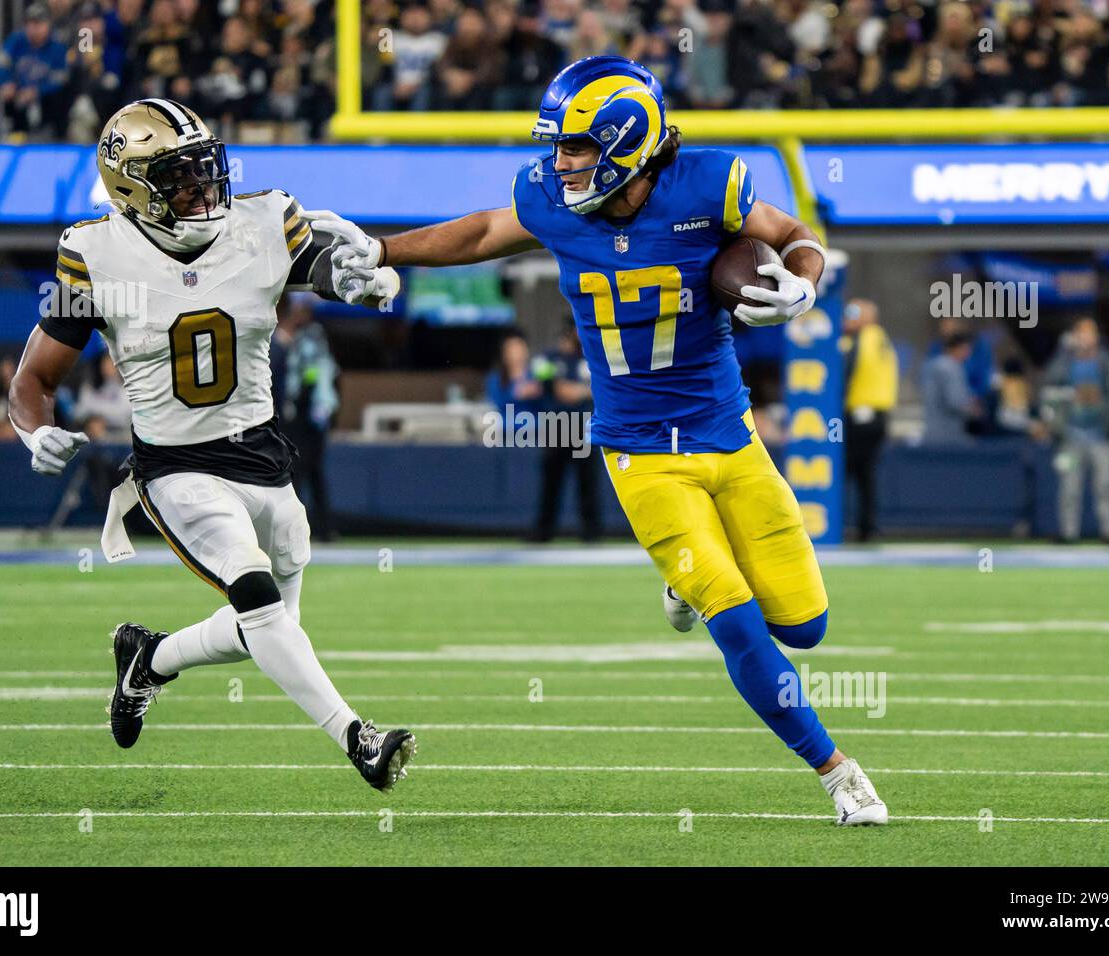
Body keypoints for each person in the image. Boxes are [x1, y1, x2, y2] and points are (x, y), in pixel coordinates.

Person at [320, 55, 888, 825]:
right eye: (558, 146)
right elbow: (485, 229)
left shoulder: (708, 185)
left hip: (731, 437)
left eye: (577, 147)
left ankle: (681, 581)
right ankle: (837, 771)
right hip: (640, 453)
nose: (561, 163)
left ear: (628, 143)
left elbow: (792, 234)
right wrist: (385, 250)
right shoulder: (552, 199)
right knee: (739, 624)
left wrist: (804, 279)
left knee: (805, 626)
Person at [7, 98, 414, 792]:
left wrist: (362, 280)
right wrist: (33, 427)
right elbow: (35, 377)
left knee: (269, 624)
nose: (205, 189)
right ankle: (358, 737)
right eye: (181, 177)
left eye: (206, 170)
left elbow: (326, 270)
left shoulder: (263, 220)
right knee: (257, 600)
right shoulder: (96, 253)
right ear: (134, 188)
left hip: (262, 455)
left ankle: (151, 658)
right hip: (175, 467)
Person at [1041, 317, 1109, 543]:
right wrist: (1055, 425)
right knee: (1069, 487)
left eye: (1090, 332)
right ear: (1074, 335)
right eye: (1082, 332)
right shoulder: (1062, 363)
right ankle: (1069, 533)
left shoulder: (1106, 362)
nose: (1086, 337)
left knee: (1106, 485)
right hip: (1071, 434)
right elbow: (1048, 395)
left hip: (1101, 435)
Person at [271, 294, 340, 542]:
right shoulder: (293, 340)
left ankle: (310, 529)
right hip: (303, 414)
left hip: (306, 414)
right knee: (305, 472)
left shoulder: (311, 340)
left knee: (302, 472)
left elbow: (315, 378)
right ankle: (318, 528)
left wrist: (313, 404)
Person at [531, 322, 600, 543]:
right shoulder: (549, 357)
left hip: (584, 425)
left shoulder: (590, 357)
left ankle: (591, 532)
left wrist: (577, 391)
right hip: (557, 424)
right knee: (551, 481)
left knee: (587, 481)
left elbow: (597, 388)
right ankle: (543, 531)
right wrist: (580, 390)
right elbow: (554, 387)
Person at [840, 298, 897, 541]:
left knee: (844, 471)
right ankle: (867, 527)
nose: (847, 318)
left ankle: (837, 524)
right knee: (866, 474)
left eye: (853, 313)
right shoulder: (883, 340)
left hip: (860, 416)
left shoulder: (863, 339)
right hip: (879, 416)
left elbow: (845, 374)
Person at [0, 3, 69, 138]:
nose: (35, 29)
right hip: (19, 94)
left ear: (48, 25)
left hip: (46, 99)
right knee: (8, 95)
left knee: (59, 97)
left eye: (39, 24)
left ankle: (55, 138)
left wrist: (37, 91)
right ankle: (12, 135)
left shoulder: (57, 44)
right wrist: (6, 82)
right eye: (31, 24)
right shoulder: (17, 40)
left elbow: (61, 78)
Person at [921, 331, 979, 446]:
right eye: (966, 348)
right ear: (957, 348)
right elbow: (955, 402)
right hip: (948, 435)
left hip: (932, 431)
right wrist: (973, 409)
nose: (969, 353)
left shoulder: (934, 364)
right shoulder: (951, 368)